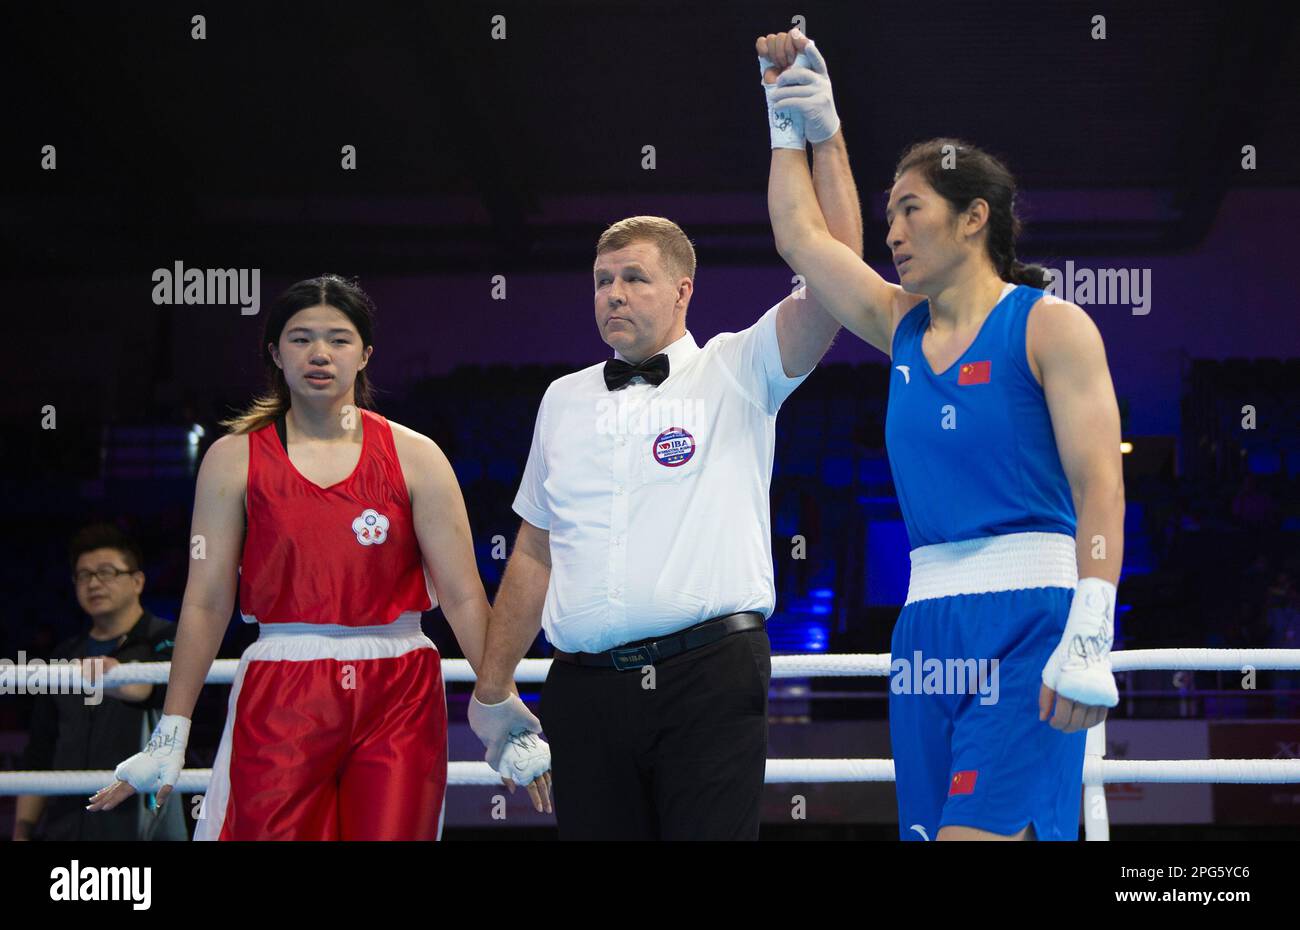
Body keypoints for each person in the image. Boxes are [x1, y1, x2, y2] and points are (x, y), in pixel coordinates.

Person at [466, 32, 864, 839]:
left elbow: (840, 271)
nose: (613, 293)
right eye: (602, 281)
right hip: (582, 691)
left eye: (634, 277)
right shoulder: (562, 400)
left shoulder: (736, 369)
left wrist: (816, 132)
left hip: (708, 676)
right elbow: (535, 550)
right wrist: (492, 692)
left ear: (683, 289)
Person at [766, 28, 1124, 840]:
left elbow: (1100, 483)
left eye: (909, 208)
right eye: (888, 211)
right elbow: (803, 239)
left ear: (973, 219)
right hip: (925, 626)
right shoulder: (898, 326)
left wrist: (1091, 626)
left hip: (1033, 615)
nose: (889, 231)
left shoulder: (1050, 327)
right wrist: (799, 122)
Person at [88, 274, 550, 839]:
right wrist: (173, 728)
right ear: (275, 353)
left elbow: (461, 596)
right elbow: (208, 601)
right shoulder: (232, 460)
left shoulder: (416, 456)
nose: (320, 354)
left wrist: (503, 715)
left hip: (399, 683)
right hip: (283, 680)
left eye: (338, 338)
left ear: (365, 354)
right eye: (302, 338)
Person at [14, 523, 184, 841]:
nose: (94, 583)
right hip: (66, 827)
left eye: (106, 572)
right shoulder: (64, 655)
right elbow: (41, 750)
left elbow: (158, 692)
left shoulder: (168, 638)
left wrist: (118, 676)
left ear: (137, 581)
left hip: (143, 825)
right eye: (84, 575)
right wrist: (22, 832)